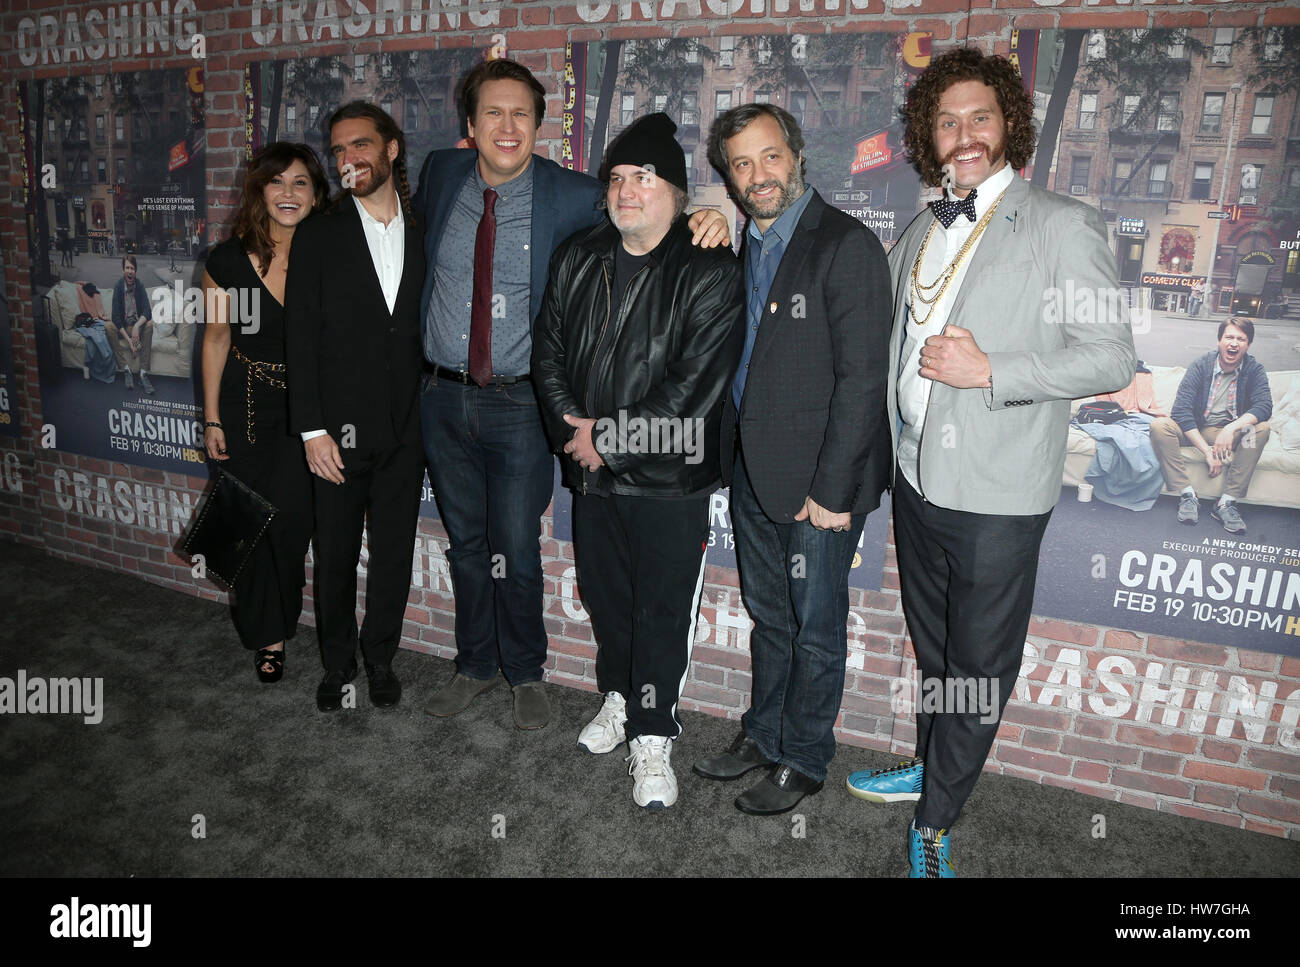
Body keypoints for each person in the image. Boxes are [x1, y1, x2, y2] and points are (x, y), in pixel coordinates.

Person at [845, 48, 1135, 877]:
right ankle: (934, 763)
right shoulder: (919, 227)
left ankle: (937, 817)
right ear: (925, 136)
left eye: (980, 116)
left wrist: (994, 371)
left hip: (1000, 496)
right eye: (946, 120)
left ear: (1009, 123)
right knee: (937, 651)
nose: (963, 133)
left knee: (976, 666)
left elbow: (1110, 357)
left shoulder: (1063, 223)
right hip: (918, 482)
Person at [414, 59, 730, 730]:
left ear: (540, 126)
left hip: (520, 405)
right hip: (442, 397)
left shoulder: (570, 194)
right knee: (467, 545)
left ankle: (525, 672)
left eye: (521, 114)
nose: (507, 126)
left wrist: (710, 216)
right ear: (469, 126)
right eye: (493, 113)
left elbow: (648, 203)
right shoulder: (439, 177)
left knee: (515, 545)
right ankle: (474, 663)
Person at [533, 113, 744, 809]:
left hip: (668, 476)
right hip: (591, 474)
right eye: (618, 179)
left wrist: (609, 440)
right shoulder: (578, 253)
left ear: (677, 192)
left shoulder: (710, 265)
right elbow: (550, 353)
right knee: (608, 596)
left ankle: (654, 731)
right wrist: (575, 431)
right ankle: (620, 698)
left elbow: (693, 387)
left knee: (659, 608)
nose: (627, 190)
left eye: (644, 178)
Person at [690, 103, 893, 816]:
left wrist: (833, 491)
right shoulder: (747, 242)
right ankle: (766, 732)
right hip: (753, 467)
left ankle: (805, 757)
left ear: (796, 156)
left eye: (769, 156)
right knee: (770, 615)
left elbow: (865, 380)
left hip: (820, 484)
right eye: (741, 163)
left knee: (815, 626)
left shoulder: (845, 244)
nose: (757, 174)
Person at [285, 103, 426, 712]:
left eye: (360, 146)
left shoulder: (426, 227)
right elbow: (301, 338)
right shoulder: (319, 232)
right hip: (335, 436)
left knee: (394, 554)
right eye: (338, 151)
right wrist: (312, 430)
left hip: (406, 430)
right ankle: (336, 664)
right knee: (336, 555)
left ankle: (381, 659)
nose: (348, 161)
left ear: (392, 149)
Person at [201, 142, 329, 682]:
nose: (288, 193)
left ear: (316, 194)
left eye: (301, 182)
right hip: (244, 405)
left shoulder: (332, 259)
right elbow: (215, 339)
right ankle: (267, 637)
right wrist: (211, 419)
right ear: (259, 190)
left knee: (292, 527)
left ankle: (286, 616)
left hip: (309, 415)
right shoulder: (227, 261)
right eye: (277, 182)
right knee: (247, 523)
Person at [1149, 317, 1272, 534]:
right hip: (1195, 429)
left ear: (1248, 345)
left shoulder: (1253, 369)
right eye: (1229, 337)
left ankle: (1226, 502)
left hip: (1227, 434)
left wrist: (1231, 428)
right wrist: (1206, 451)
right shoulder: (1201, 365)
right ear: (1219, 341)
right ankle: (1187, 494)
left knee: (1260, 430)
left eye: (1241, 339)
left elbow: (1264, 406)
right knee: (1160, 426)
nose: (1234, 343)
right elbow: (1181, 411)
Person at [110, 255, 155, 395]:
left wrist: (136, 327)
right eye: (127, 268)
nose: (130, 271)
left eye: (132, 268)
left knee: (149, 325)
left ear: (135, 271)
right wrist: (130, 342)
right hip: (124, 327)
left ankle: (143, 374)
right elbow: (115, 317)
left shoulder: (139, 286)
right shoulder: (118, 287)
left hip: (135, 327)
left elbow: (148, 311)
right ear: (123, 270)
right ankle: (126, 369)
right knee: (107, 327)